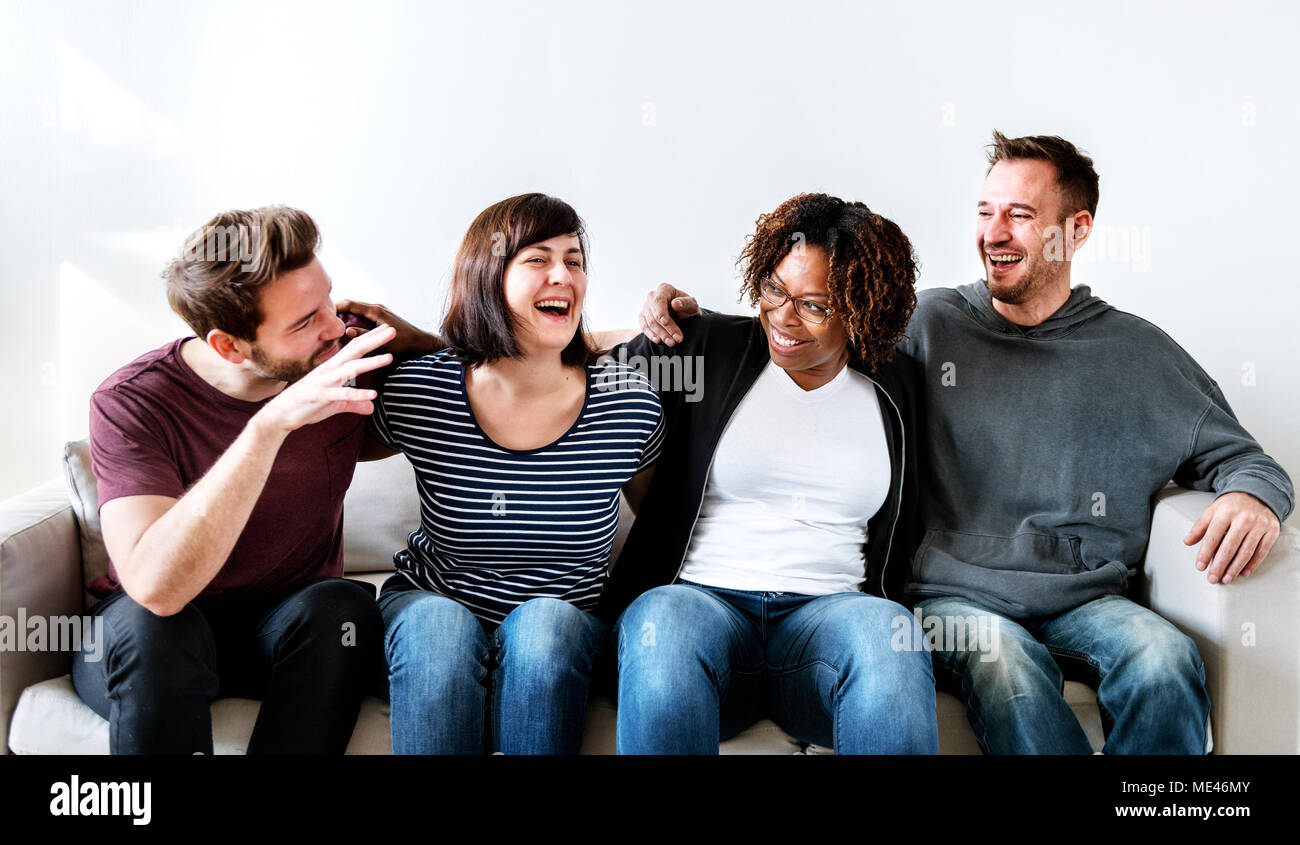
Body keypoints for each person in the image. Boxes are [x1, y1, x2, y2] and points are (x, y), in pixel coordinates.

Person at [636, 133, 1294, 755]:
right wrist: (682, 319)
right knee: (1003, 664)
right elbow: (803, 332)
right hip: (957, 597)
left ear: (1078, 230)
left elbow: (1244, 457)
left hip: (1090, 598)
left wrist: (1254, 496)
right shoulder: (930, 324)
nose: (994, 232)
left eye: (1020, 214)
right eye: (986, 211)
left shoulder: (1139, 354)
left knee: (1165, 658)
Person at [74, 205, 437, 754]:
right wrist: (269, 426)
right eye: (303, 322)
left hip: (283, 629)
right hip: (150, 636)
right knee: (155, 628)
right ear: (229, 345)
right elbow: (156, 588)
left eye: (328, 301)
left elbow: (491, 394)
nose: (334, 327)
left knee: (344, 608)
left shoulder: (345, 356)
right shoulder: (133, 401)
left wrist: (422, 343)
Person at [598, 193, 939, 754]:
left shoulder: (897, 385)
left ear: (862, 309)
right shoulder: (708, 348)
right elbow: (568, 377)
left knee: (887, 636)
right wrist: (648, 314)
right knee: (665, 619)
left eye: (814, 305)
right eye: (775, 289)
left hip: (828, 624)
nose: (783, 317)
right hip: (703, 604)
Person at [367, 193, 664, 755]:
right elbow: (312, 461)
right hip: (431, 608)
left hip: (566, 626)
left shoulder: (627, 402)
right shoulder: (420, 390)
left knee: (543, 626)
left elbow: (667, 530)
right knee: (439, 630)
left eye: (574, 261)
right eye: (538, 259)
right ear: (488, 275)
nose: (563, 275)